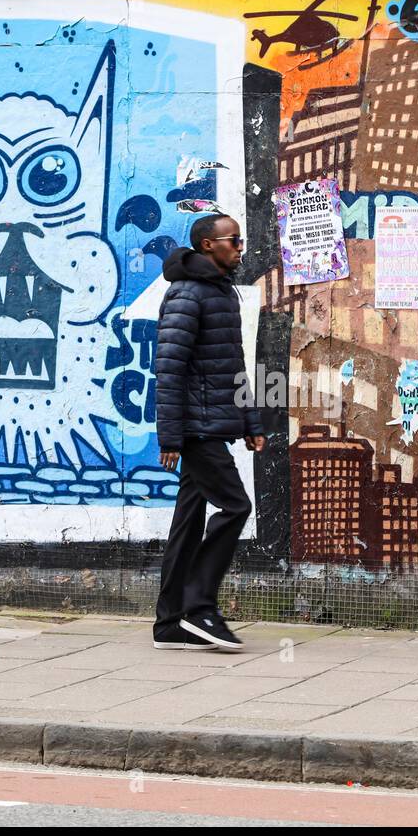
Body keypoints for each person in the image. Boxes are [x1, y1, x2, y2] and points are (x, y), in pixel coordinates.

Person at [152, 214, 265, 650]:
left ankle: (170, 624)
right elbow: (169, 369)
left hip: (212, 424)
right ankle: (199, 608)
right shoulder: (186, 295)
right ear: (206, 246)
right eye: (233, 239)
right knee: (236, 506)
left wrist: (251, 422)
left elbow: (232, 367)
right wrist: (172, 437)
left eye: (240, 238)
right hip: (197, 430)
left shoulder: (221, 292)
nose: (240, 246)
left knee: (188, 520)